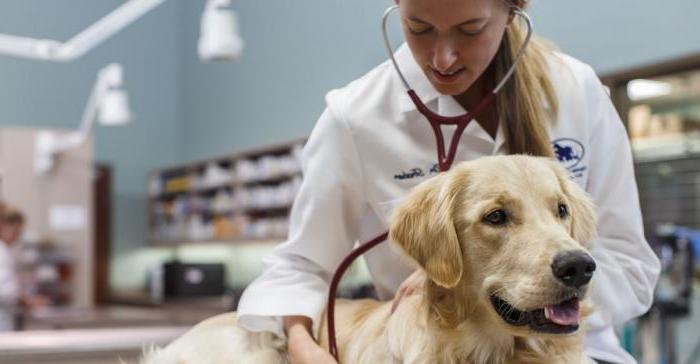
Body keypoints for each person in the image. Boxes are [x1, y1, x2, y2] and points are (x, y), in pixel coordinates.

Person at [237, 0, 661, 363]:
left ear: (512, 13)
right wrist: (301, 345)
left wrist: (546, 297)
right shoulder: (357, 117)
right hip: (433, 345)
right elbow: (303, 266)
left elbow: (629, 261)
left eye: (470, 29)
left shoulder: (575, 89)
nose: (443, 58)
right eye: (418, 28)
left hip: (575, 348)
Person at [0, 204, 25, 331]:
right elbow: (5, 292)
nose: (17, 235)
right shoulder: (2, 252)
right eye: (15, 230)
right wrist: (25, 300)